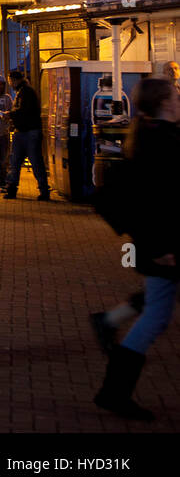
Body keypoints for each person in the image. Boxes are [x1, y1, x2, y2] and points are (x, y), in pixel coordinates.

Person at [92, 78, 180, 420]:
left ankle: (113, 388)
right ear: (166, 103)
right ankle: (114, 391)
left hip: (164, 248)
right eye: (175, 96)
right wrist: (157, 245)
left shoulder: (157, 137)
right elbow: (154, 204)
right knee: (156, 316)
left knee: (157, 311)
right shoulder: (161, 144)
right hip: (166, 250)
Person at [3, 69, 50, 200]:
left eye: (10, 81)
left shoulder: (24, 92)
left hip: (27, 132)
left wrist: (10, 115)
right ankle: (43, 190)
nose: (10, 83)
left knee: (19, 162)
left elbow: (23, 111)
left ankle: (12, 189)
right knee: (31, 161)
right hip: (28, 131)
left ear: (14, 80)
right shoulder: (25, 91)